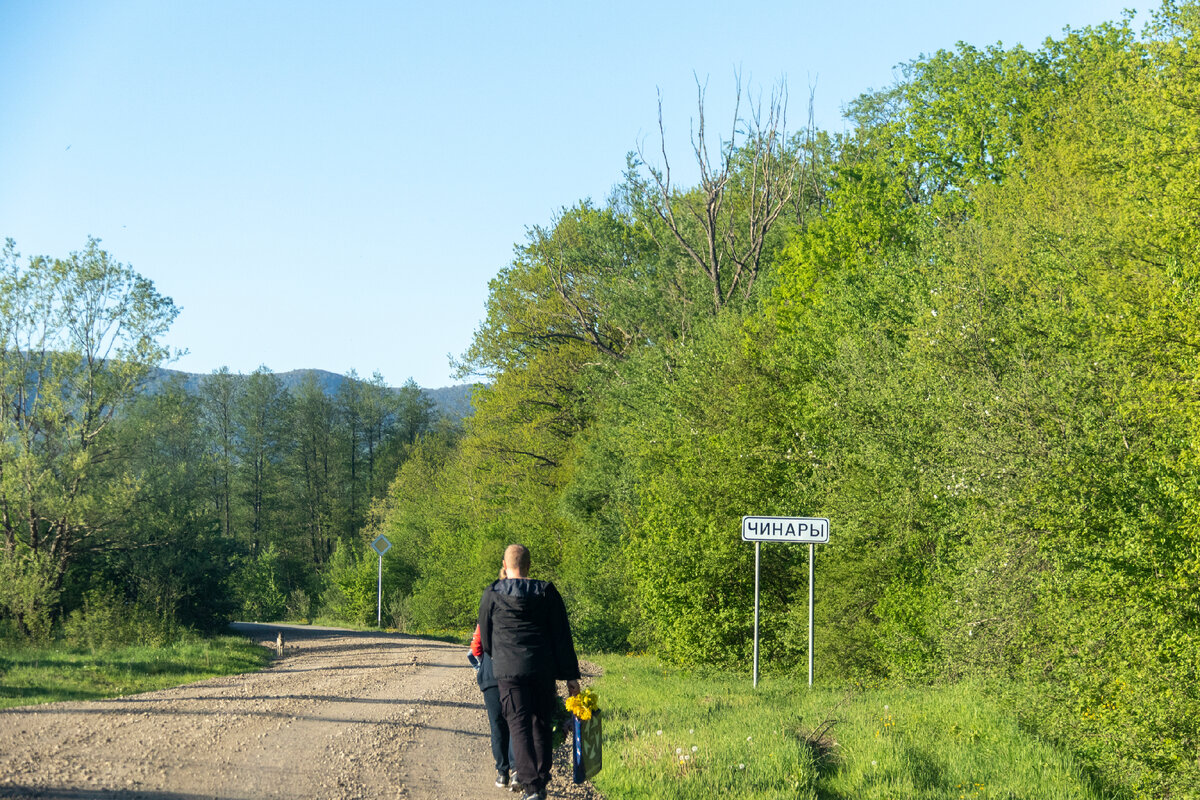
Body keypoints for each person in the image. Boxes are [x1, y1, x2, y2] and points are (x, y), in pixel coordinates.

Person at [478, 544, 581, 800]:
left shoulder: (492, 593)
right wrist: (570, 676)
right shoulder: (546, 592)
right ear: (529, 565)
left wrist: (499, 655)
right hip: (542, 668)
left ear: (504, 564)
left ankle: (532, 786)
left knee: (518, 724)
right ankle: (540, 781)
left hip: (508, 671)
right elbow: (562, 636)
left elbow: (486, 636)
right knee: (542, 723)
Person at [469, 567, 514, 790]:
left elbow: (477, 645)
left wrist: (484, 660)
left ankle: (502, 773)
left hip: (491, 673)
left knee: (497, 725)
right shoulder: (520, 607)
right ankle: (516, 769)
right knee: (516, 722)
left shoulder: (490, 604)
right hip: (515, 672)